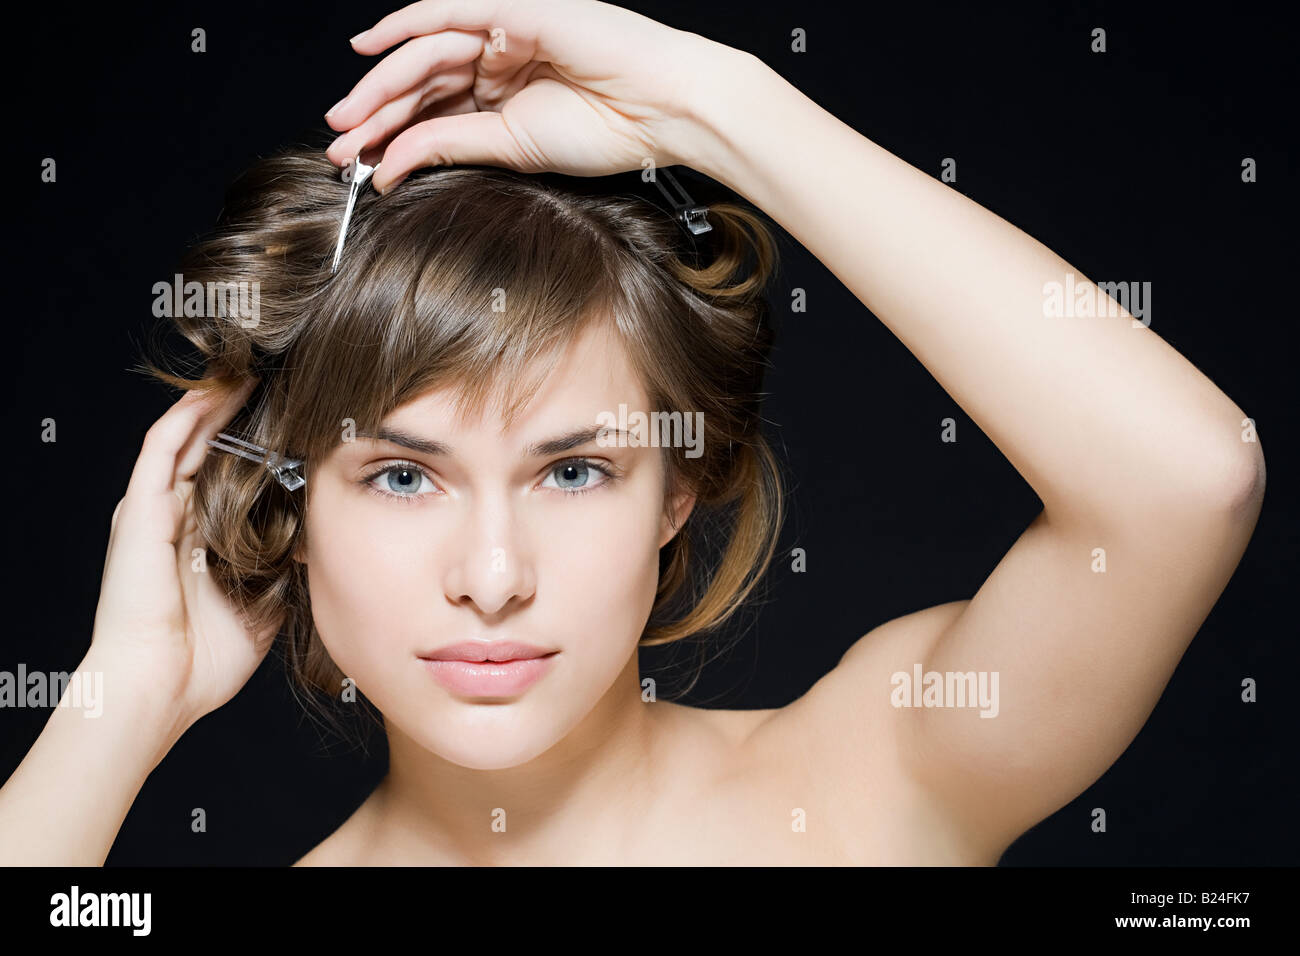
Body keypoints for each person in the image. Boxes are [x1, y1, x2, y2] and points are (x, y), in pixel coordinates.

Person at [0, 0, 1265, 866]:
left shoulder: (871, 778)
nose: (492, 577)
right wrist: (118, 708)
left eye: (574, 467)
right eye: (398, 473)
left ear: (678, 487)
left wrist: (715, 108)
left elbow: (1183, 480)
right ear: (287, 500)